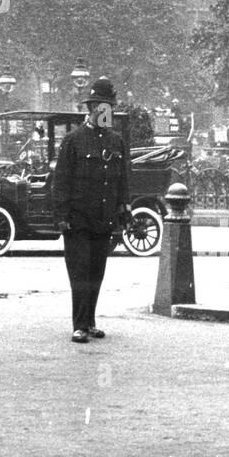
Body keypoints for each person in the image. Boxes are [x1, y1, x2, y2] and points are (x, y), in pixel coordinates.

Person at [52, 77, 131, 343]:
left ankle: (91, 321)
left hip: (103, 218)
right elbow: (60, 181)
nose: (104, 111)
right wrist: (61, 217)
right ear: (91, 108)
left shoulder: (117, 141)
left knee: (96, 272)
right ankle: (79, 325)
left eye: (108, 107)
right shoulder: (73, 140)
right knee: (80, 272)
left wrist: (123, 211)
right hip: (77, 219)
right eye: (100, 107)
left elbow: (122, 180)